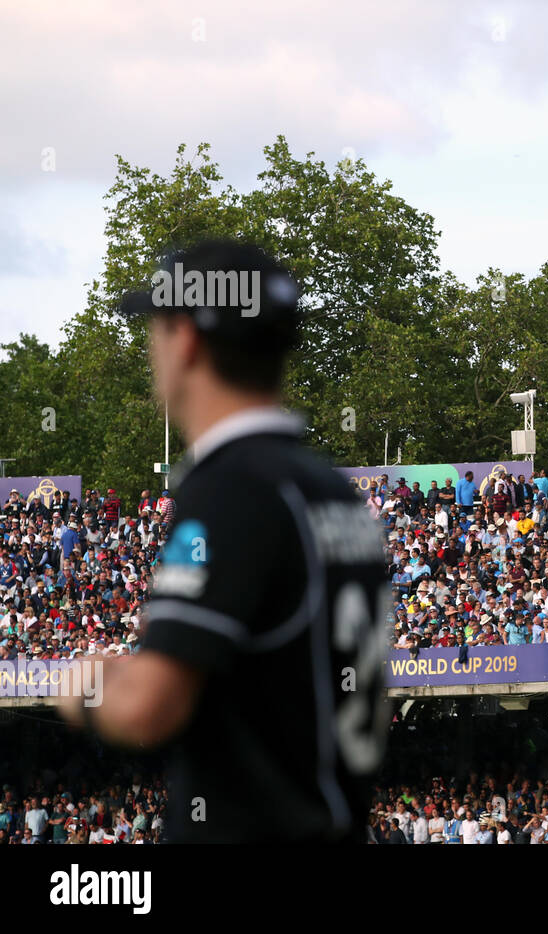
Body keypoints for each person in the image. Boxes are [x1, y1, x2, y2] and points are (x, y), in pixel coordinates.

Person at [58, 240, 391, 843]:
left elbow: (149, 706)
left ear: (185, 338)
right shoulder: (332, 491)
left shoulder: (234, 487)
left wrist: (87, 685)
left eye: (154, 328)